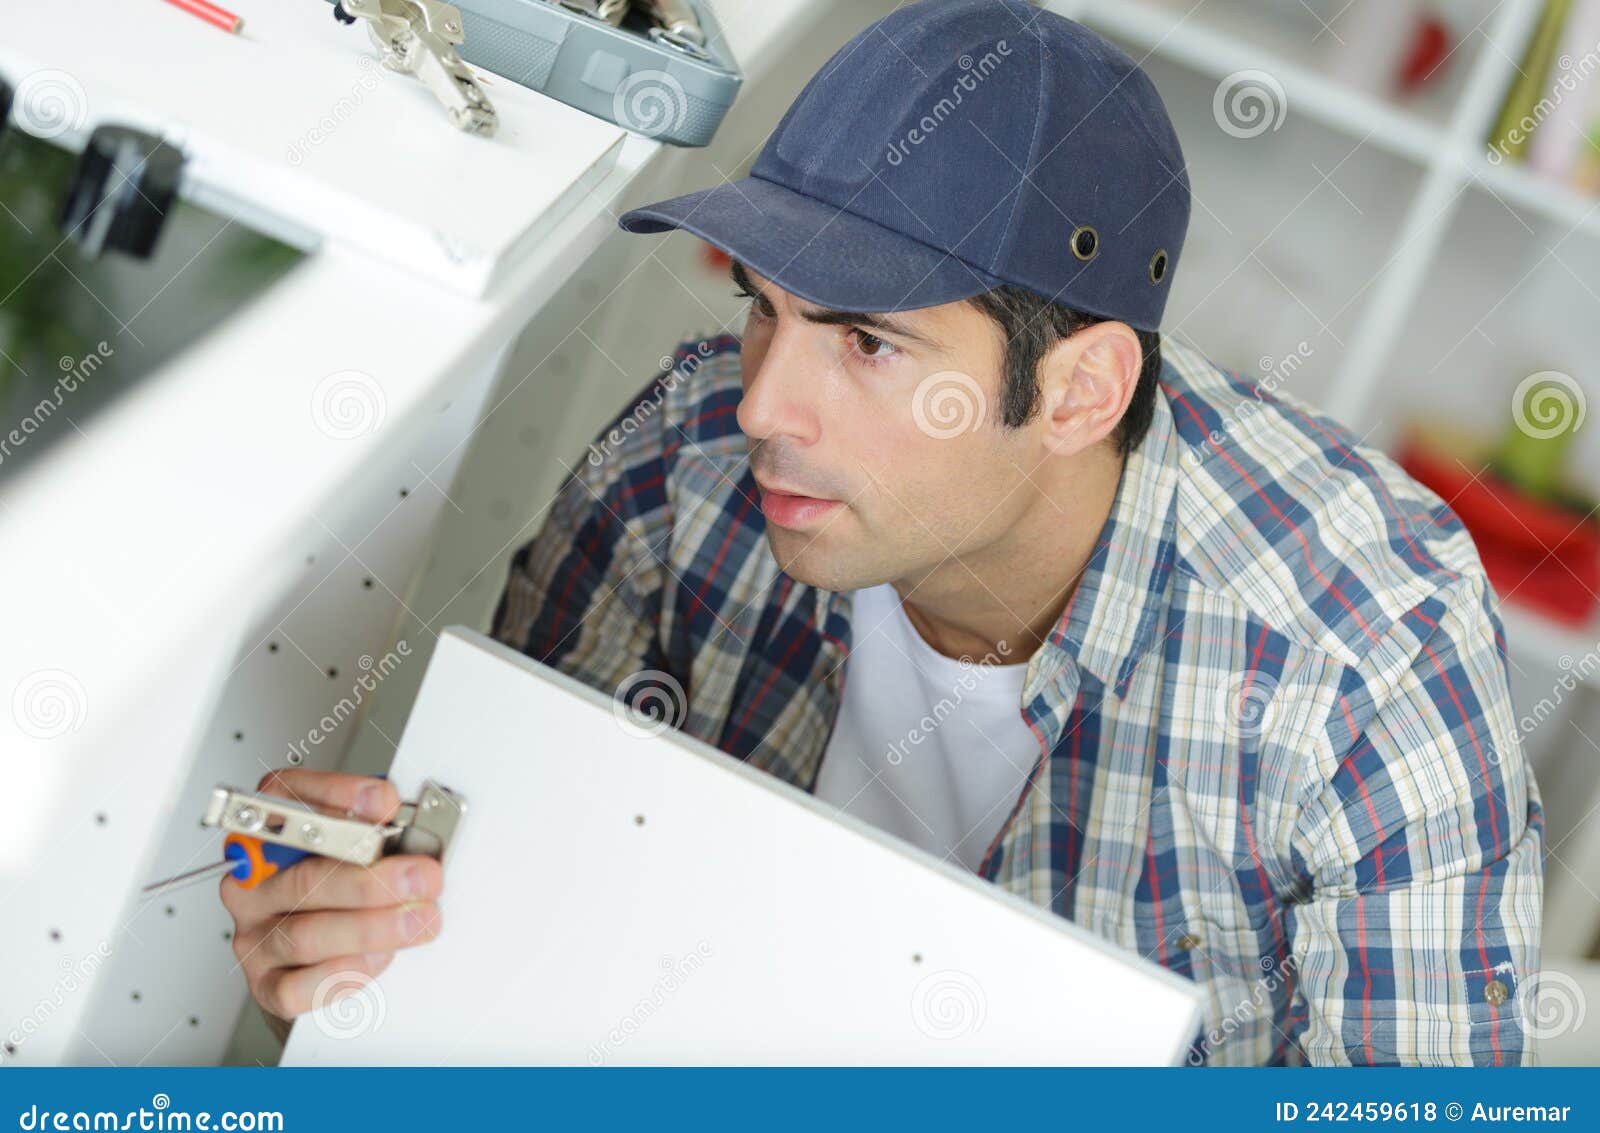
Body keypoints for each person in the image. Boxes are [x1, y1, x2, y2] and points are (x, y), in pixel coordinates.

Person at [225, 0, 1542, 1065]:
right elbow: (488, 993)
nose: (762, 401)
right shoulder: (681, 466)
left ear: (1080, 392)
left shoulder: (1368, 653)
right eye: (763, 304)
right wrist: (345, 965)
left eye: (866, 340)